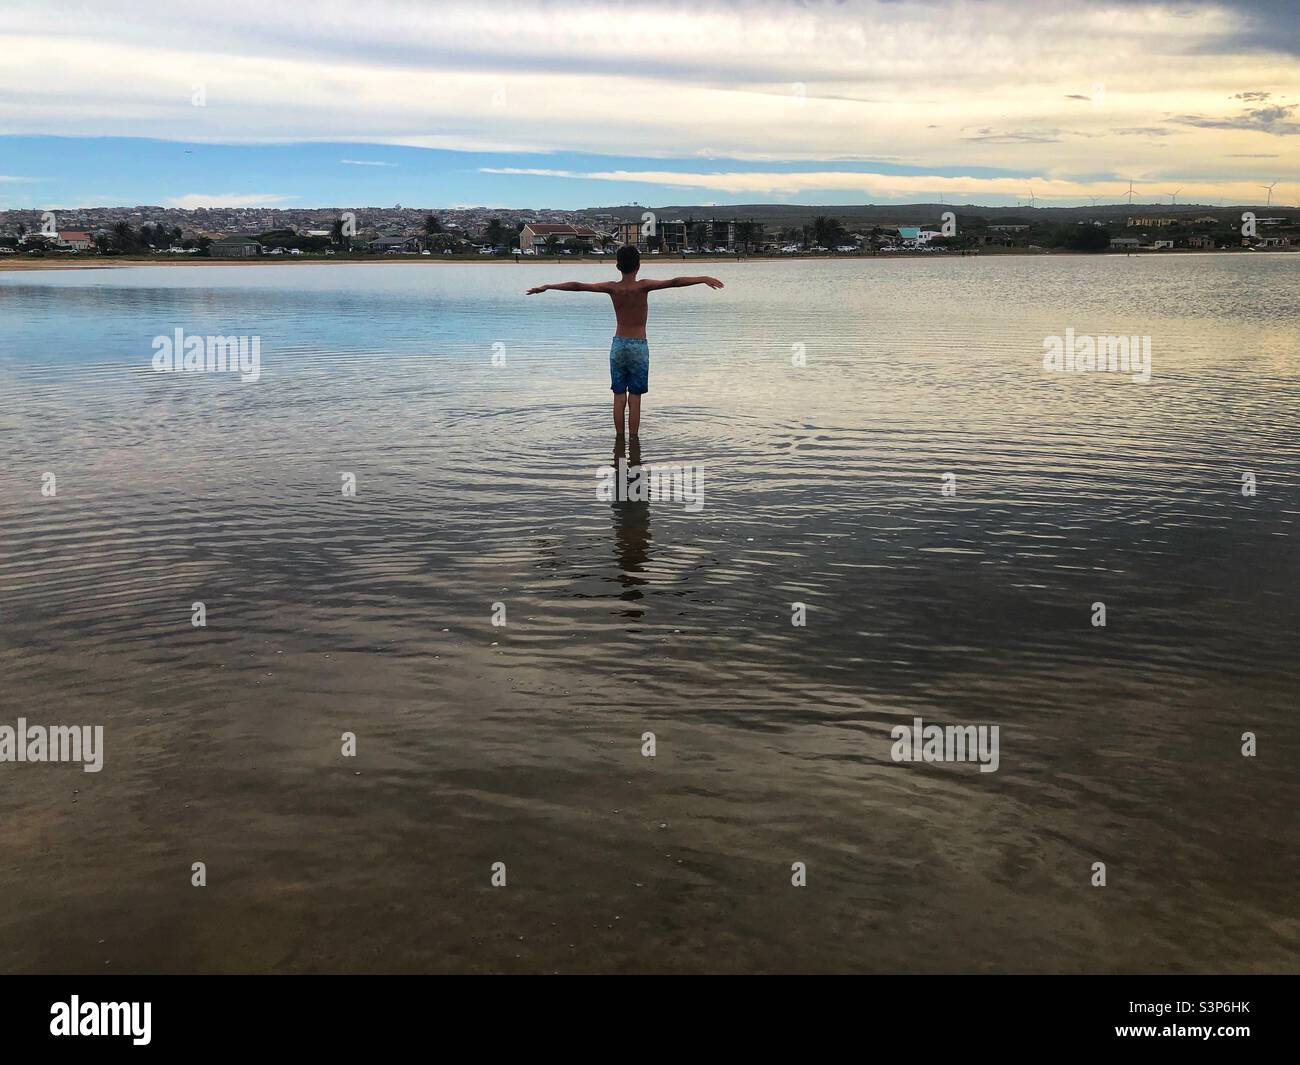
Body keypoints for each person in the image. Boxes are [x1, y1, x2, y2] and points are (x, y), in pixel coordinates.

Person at [526, 244, 724, 437]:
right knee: (635, 397)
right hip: (638, 346)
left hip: (618, 345)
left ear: (617, 266)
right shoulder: (643, 286)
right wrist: (703, 278)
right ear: (638, 266)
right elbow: (674, 281)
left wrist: (548, 286)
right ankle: (634, 440)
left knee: (619, 396)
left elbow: (578, 286)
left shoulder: (612, 288)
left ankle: (619, 441)